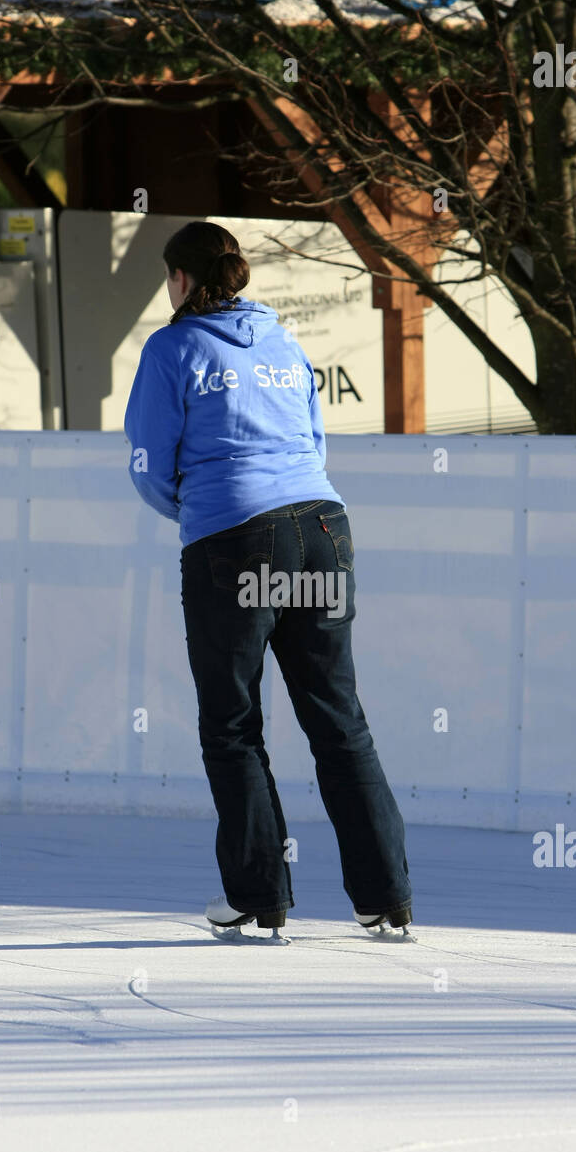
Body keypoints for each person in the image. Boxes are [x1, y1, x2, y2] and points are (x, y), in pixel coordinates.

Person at [124, 220, 413, 941]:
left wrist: (197, 511)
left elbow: (148, 463)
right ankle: (387, 899)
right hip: (323, 531)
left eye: (168, 277)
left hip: (235, 542)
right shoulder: (285, 345)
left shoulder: (171, 348)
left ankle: (260, 897)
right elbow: (314, 442)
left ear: (183, 280)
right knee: (339, 720)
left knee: (233, 724)